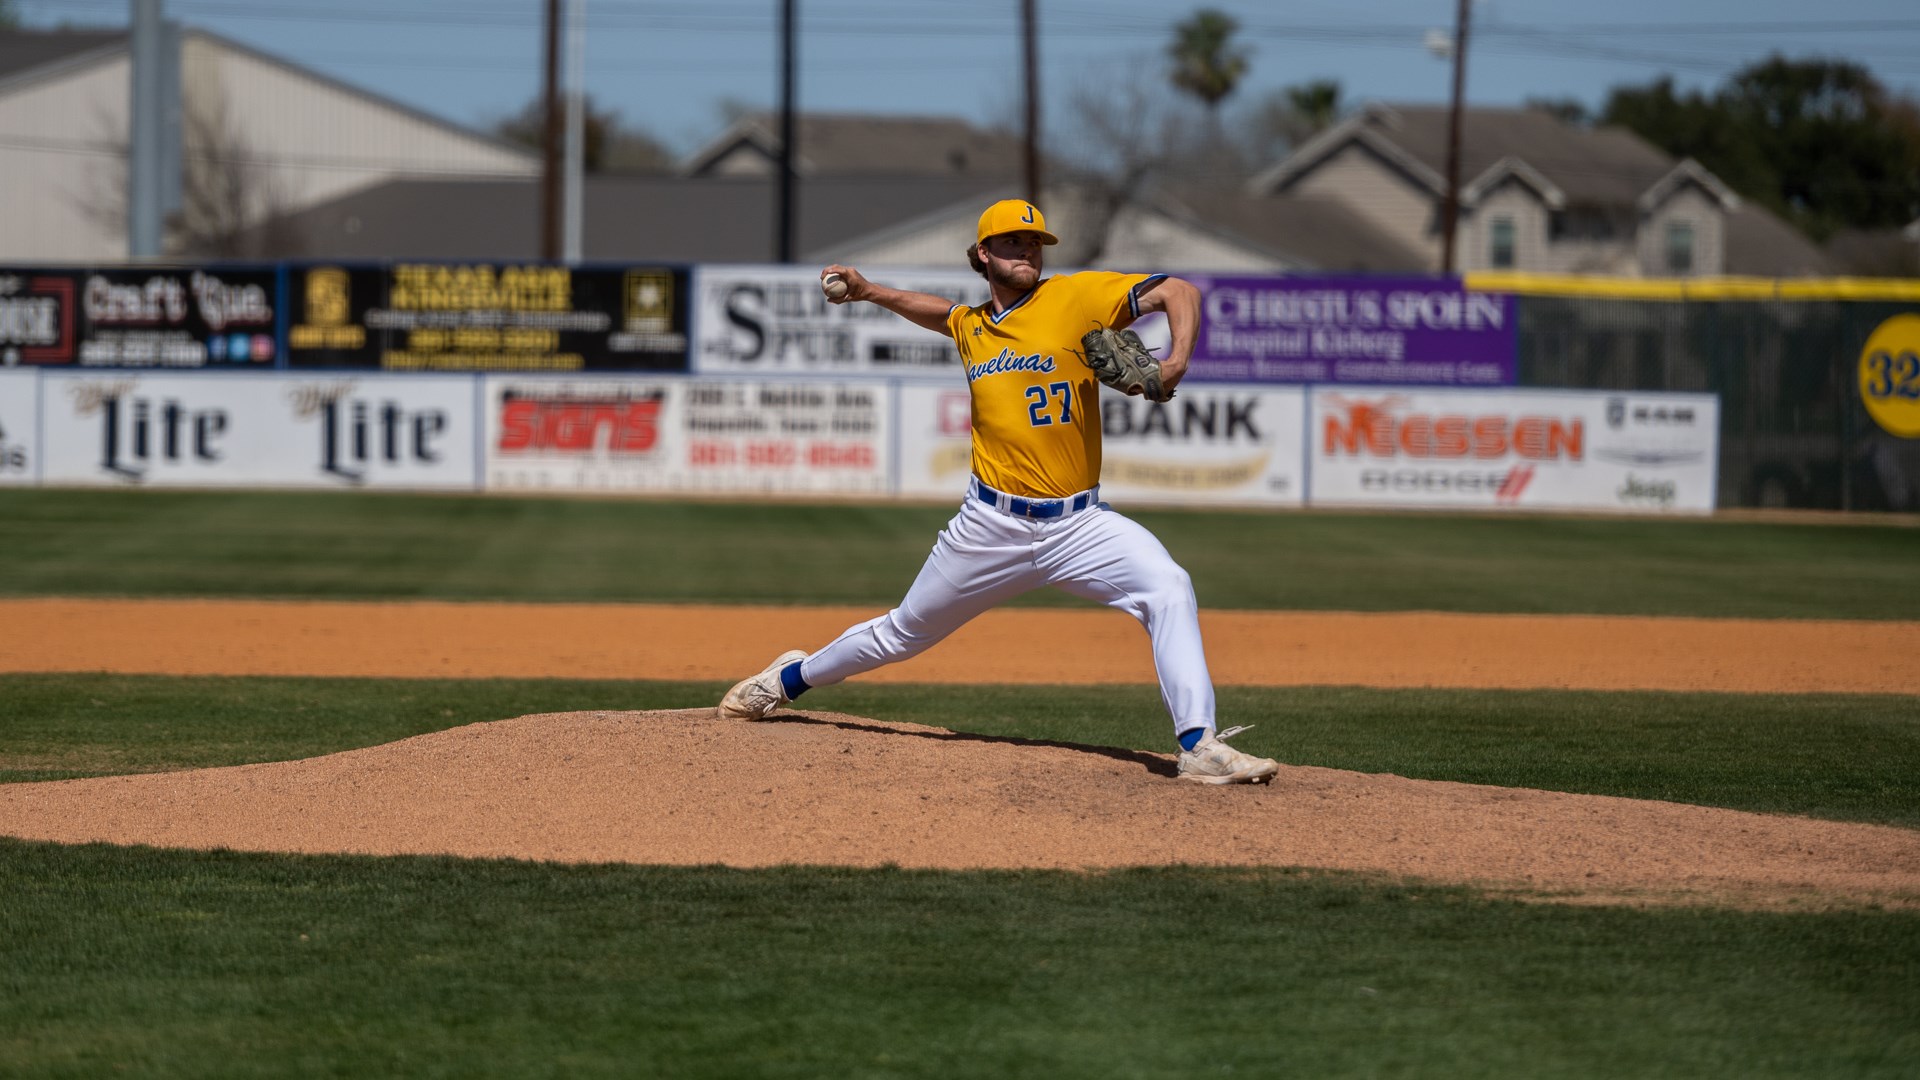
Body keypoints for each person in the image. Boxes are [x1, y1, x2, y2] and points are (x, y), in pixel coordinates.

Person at [717, 199, 1278, 785]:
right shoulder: (974, 327)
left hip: (1079, 525)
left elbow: (1179, 292)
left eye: (1035, 242)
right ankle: (784, 681)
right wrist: (869, 291)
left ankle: (1198, 745)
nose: (1028, 250)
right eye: (1013, 241)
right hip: (989, 526)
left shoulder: (1077, 298)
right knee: (903, 633)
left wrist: (1174, 362)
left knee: (1168, 586)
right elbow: (943, 314)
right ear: (983, 254)